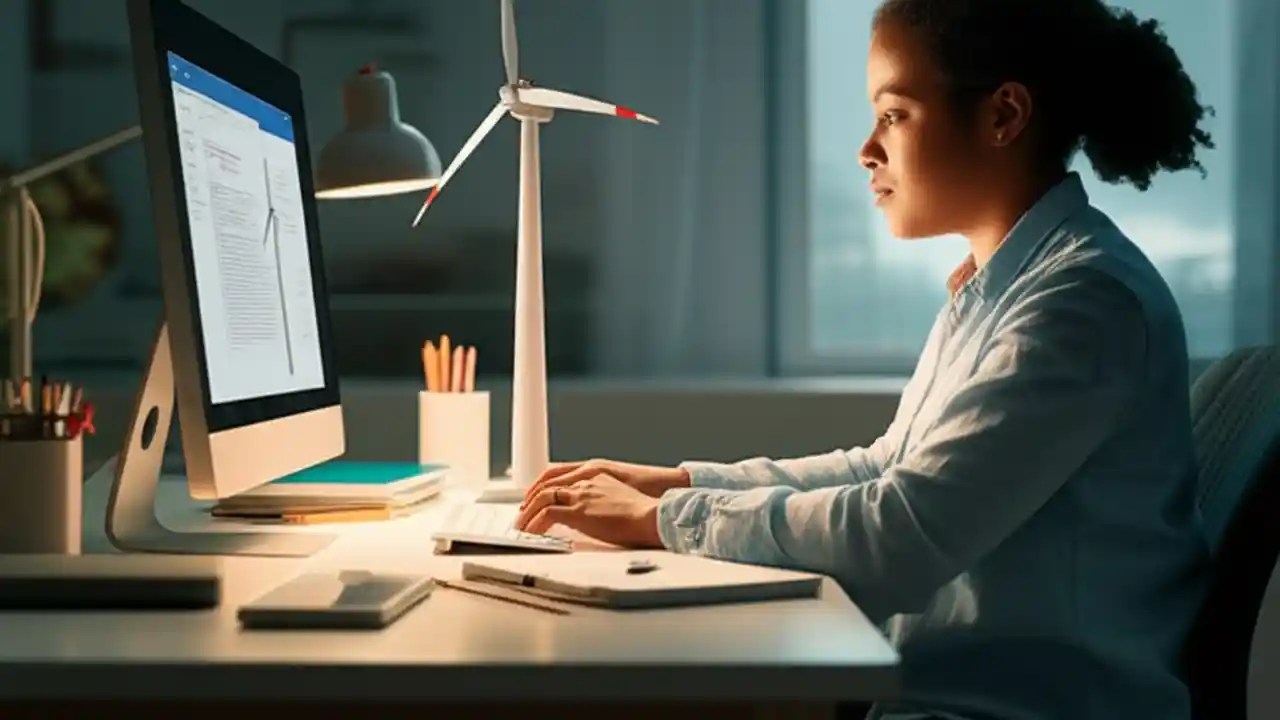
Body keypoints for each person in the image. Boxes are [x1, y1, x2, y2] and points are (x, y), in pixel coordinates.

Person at [515, 0, 1215, 717]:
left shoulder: (1083, 304)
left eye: (893, 114)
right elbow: (888, 467)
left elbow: (899, 534)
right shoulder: (1003, 286)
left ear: (1004, 116)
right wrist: (676, 483)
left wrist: (664, 520)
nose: (865, 150)